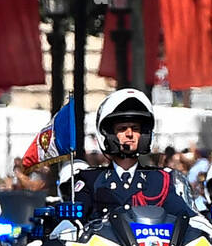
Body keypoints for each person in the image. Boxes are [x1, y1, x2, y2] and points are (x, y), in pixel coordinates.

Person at [72, 88, 199, 226]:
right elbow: (75, 224)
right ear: (109, 135)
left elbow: (188, 218)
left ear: (144, 135)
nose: (130, 134)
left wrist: (204, 227)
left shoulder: (161, 180)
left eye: (135, 128)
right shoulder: (91, 180)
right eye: (122, 129)